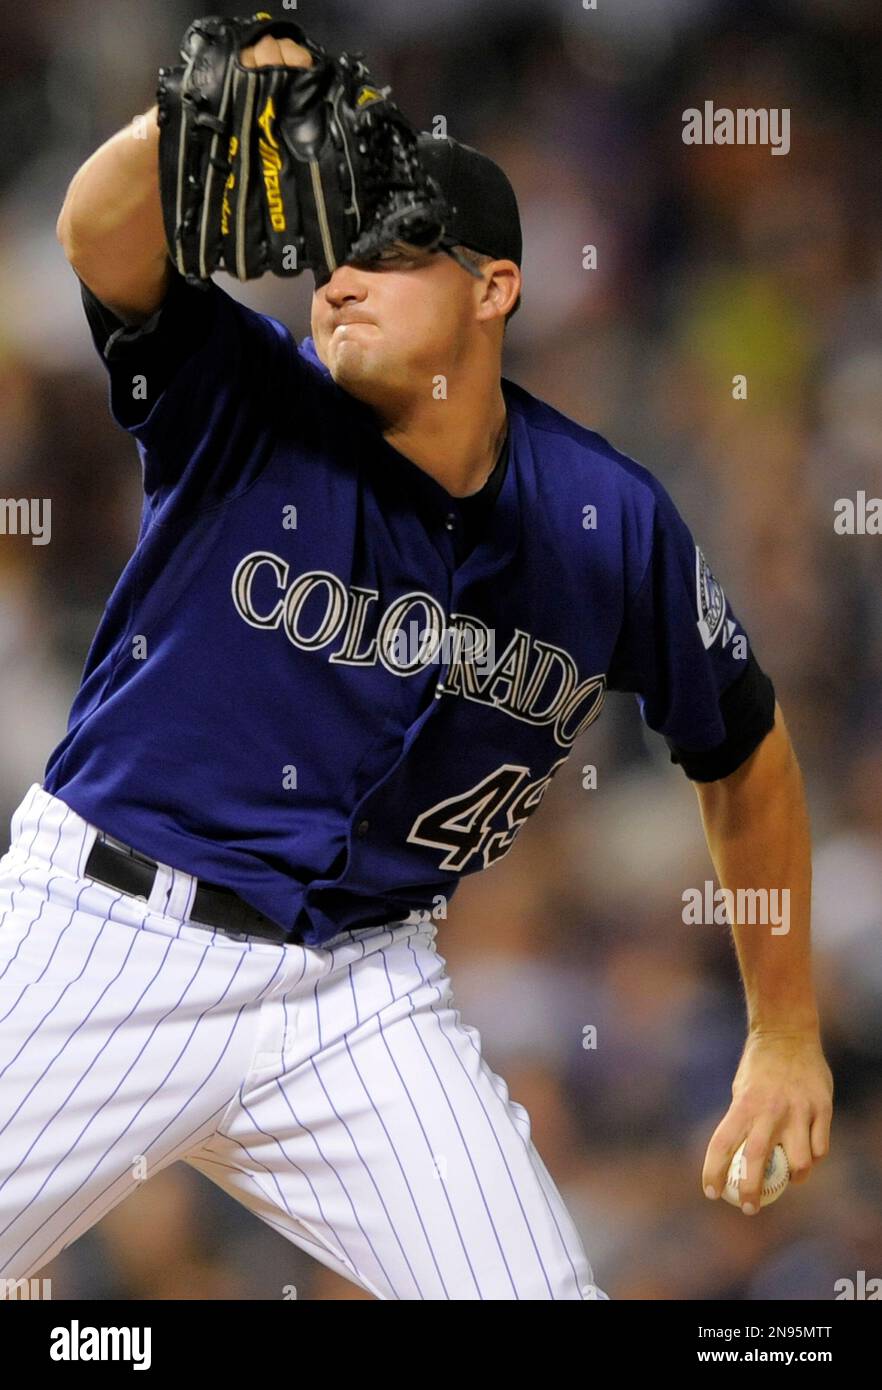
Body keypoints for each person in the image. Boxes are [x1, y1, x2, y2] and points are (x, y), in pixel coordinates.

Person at [0, 31, 832, 1300]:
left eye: (389, 252)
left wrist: (781, 1027)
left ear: (495, 287)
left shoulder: (604, 521)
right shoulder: (249, 396)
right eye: (332, 257)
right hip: (111, 928)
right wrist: (187, 123)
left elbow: (745, 750)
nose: (341, 282)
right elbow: (99, 238)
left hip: (360, 988)